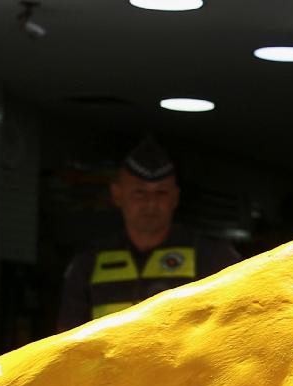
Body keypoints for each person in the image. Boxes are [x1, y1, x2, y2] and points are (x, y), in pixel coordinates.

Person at [57, 135, 241, 330]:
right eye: (139, 192)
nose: (151, 203)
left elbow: (239, 323)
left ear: (175, 197)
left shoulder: (212, 255)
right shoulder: (88, 262)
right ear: (117, 194)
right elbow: (68, 337)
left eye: (161, 192)